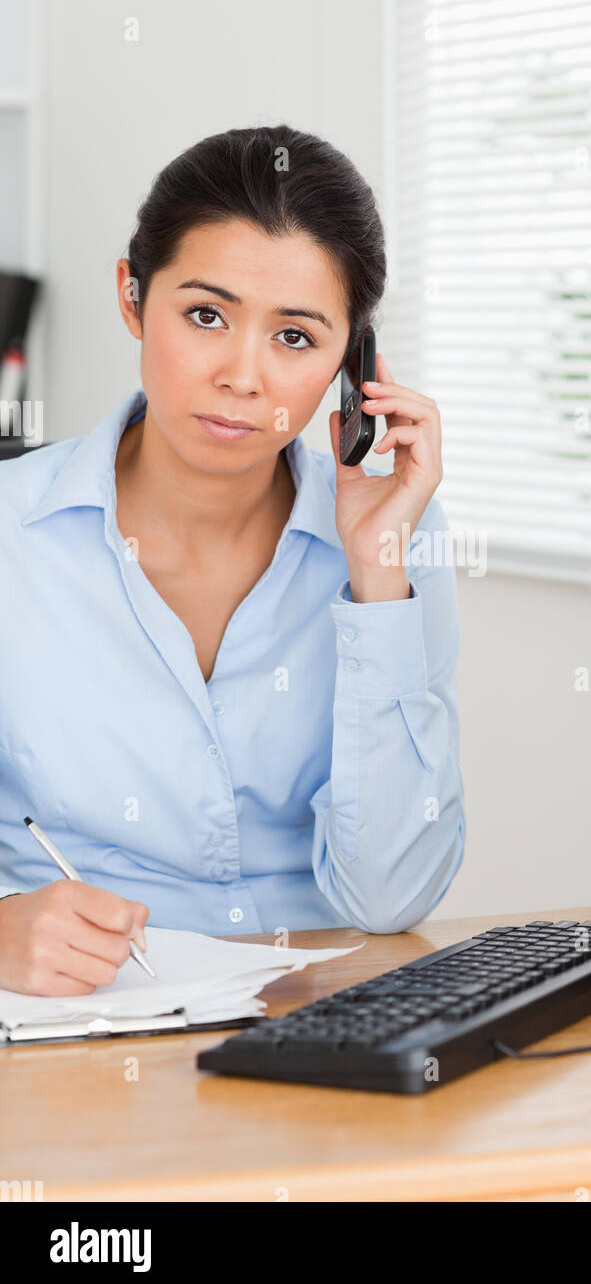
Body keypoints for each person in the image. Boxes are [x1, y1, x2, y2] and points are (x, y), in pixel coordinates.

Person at [0, 124, 464, 996]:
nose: (243, 377)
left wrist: (377, 580)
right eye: (206, 315)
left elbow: (392, 896)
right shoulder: (9, 539)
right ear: (133, 300)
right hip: (73, 1013)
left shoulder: (399, 536)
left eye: (295, 338)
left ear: (350, 365)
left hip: (320, 1013)